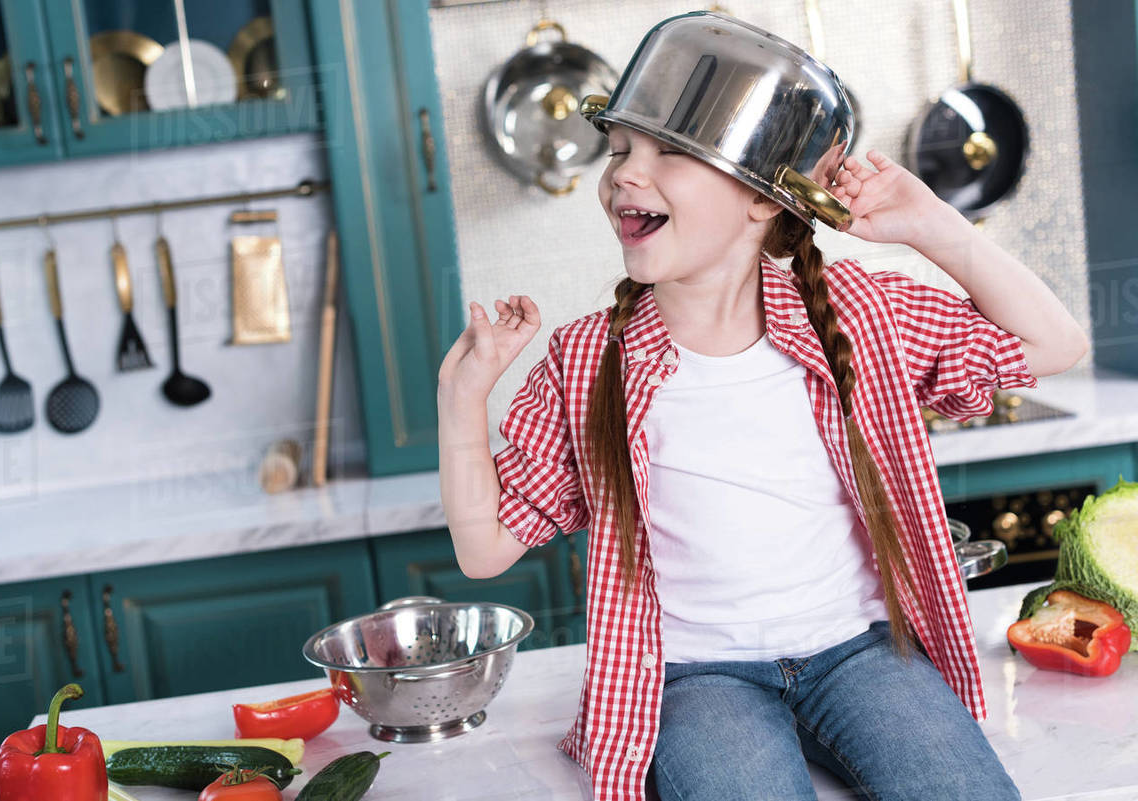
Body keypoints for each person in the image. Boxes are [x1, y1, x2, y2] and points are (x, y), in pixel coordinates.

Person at [437, 15, 1087, 801]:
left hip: (861, 653)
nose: (624, 175)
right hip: (697, 680)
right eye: (619, 150)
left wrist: (931, 227)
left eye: (669, 153)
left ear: (760, 202)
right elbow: (486, 548)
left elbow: (1055, 344)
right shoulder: (587, 361)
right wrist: (462, 394)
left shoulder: (855, 315)